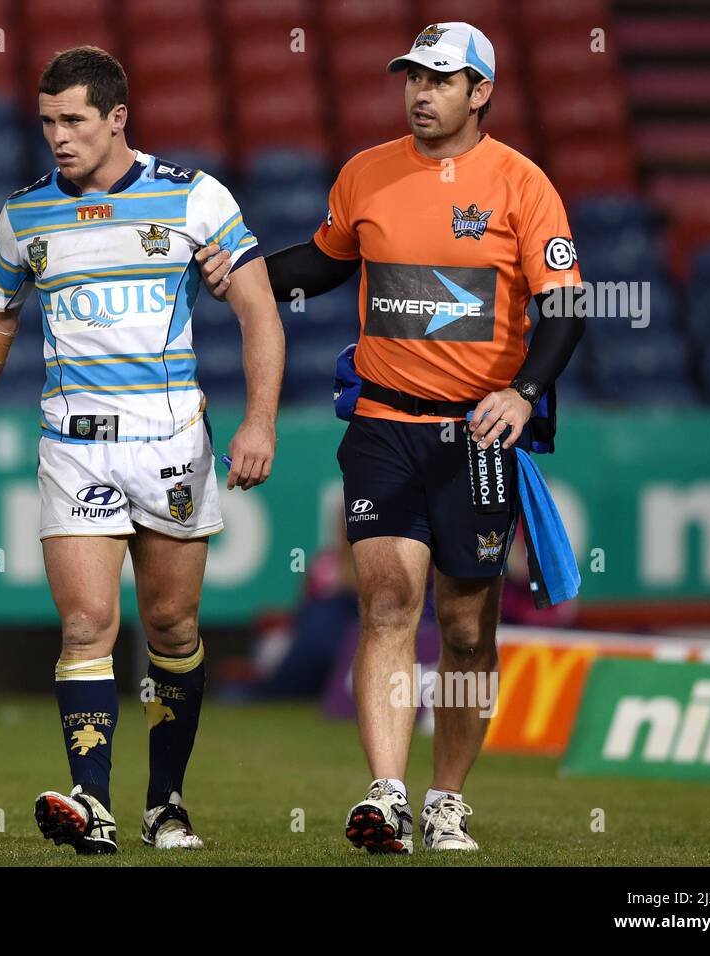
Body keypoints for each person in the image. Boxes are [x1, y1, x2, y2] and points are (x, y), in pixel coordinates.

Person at [195, 23, 585, 853]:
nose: (420, 92)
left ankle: (448, 799)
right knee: (387, 605)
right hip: (381, 423)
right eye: (413, 76)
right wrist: (246, 272)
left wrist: (523, 392)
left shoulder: (522, 184)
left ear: (480, 92)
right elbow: (330, 262)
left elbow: (570, 305)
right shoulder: (365, 173)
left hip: (478, 434)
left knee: (470, 625)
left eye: (441, 80)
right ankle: (387, 795)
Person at [0, 47, 284, 854]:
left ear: (117, 118)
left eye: (74, 121)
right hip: (73, 448)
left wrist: (259, 421)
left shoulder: (195, 200)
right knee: (87, 622)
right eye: (48, 120)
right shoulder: (24, 216)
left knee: (170, 623)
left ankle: (167, 800)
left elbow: (260, 311)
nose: (57, 136)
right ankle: (92, 802)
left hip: (171, 448)